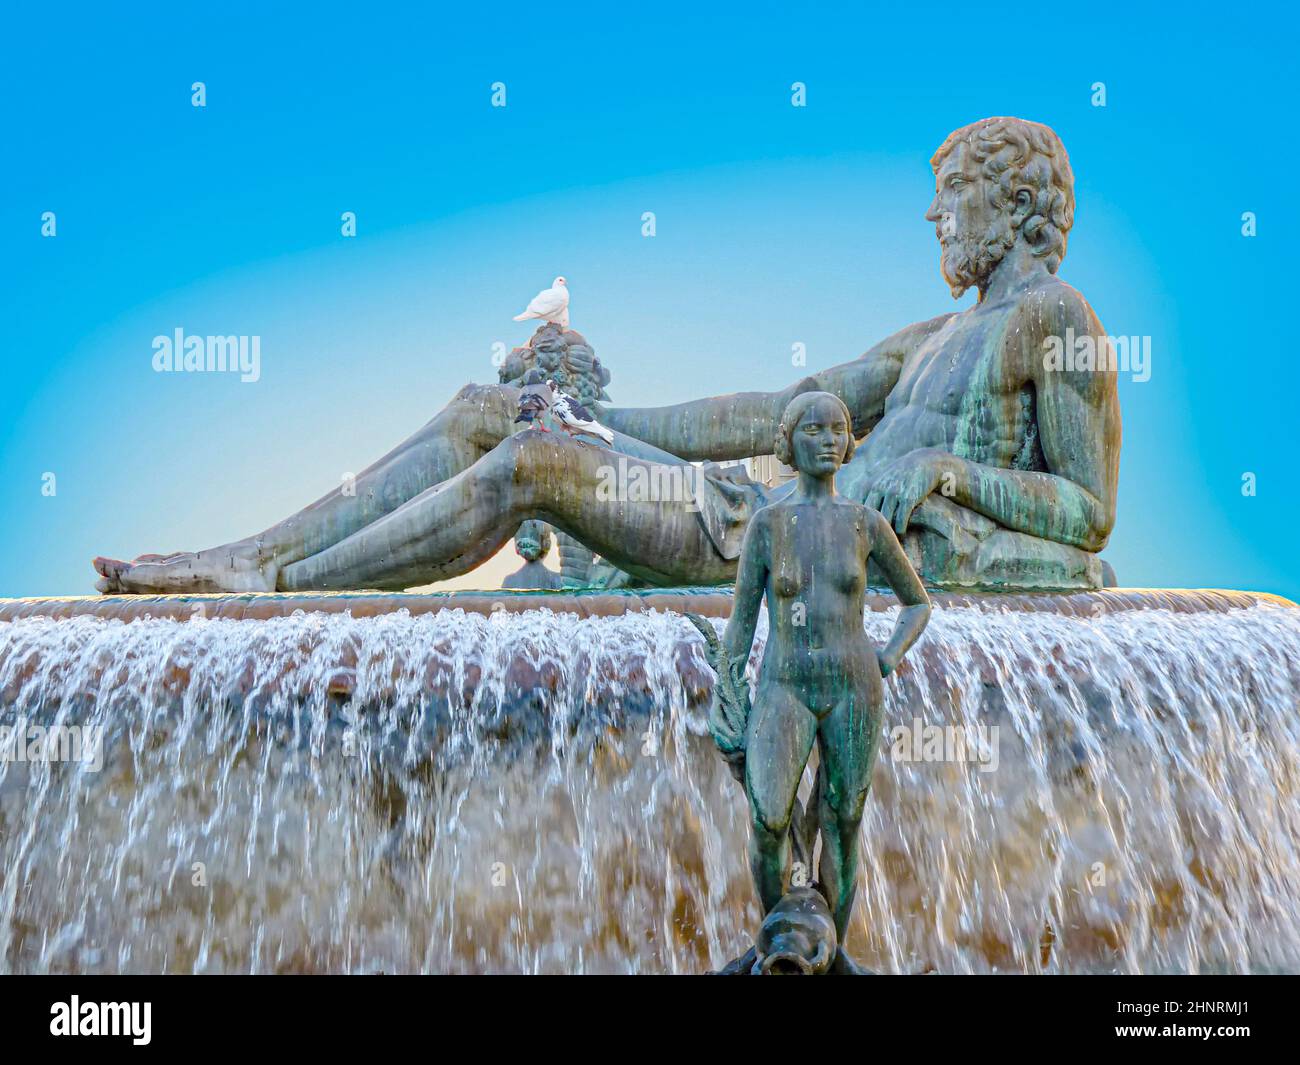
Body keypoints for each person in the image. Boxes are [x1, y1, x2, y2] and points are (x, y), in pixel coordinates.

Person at [94, 117, 1118, 595]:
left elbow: (1086, 513)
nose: (933, 212)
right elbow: (773, 413)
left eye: (954, 192)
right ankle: (249, 557)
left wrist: (944, 470)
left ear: (1017, 202)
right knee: (492, 415)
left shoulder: (1053, 317)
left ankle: (281, 591)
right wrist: (593, 421)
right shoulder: (928, 340)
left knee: (537, 469)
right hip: (762, 515)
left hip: (809, 550)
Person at [716, 391, 930, 973]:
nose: (830, 440)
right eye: (814, 430)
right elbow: (740, 623)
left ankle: (827, 953)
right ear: (789, 442)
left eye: (838, 430)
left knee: (844, 816)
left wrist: (885, 658)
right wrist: (726, 691)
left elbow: (917, 604)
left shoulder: (864, 524)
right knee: (768, 817)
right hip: (783, 685)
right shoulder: (767, 525)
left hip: (853, 686)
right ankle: (780, 940)